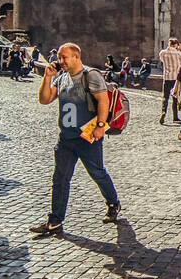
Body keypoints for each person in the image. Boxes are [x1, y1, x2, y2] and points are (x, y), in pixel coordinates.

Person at [30, 42, 120, 236]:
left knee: (97, 173)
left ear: (76, 57)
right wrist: (47, 78)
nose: (60, 61)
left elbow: (103, 100)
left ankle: (113, 202)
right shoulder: (61, 77)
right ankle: (55, 220)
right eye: (59, 58)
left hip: (87, 137)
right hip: (66, 137)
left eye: (64, 57)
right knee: (60, 178)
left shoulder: (91, 75)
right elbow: (45, 99)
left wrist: (101, 126)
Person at [159, 38, 181, 125]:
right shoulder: (177, 53)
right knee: (174, 97)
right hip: (175, 78)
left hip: (167, 77)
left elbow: (162, 61)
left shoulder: (162, 52)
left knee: (165, 97)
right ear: (176, 45)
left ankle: (163, 112)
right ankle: (175, 117)